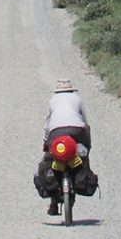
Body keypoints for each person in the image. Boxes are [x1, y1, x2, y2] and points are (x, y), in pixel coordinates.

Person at [39, 79, 92, 216]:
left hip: (56, 132)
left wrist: (46, 144)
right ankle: (80, 179)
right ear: (71, 90)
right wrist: (87, 145)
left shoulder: (53, 100)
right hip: (77, 131)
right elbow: (85, 122)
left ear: (57, 91)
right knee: (82, 157)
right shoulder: (77, 99)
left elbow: (47, 125)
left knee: (51, 161)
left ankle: (53, 202)